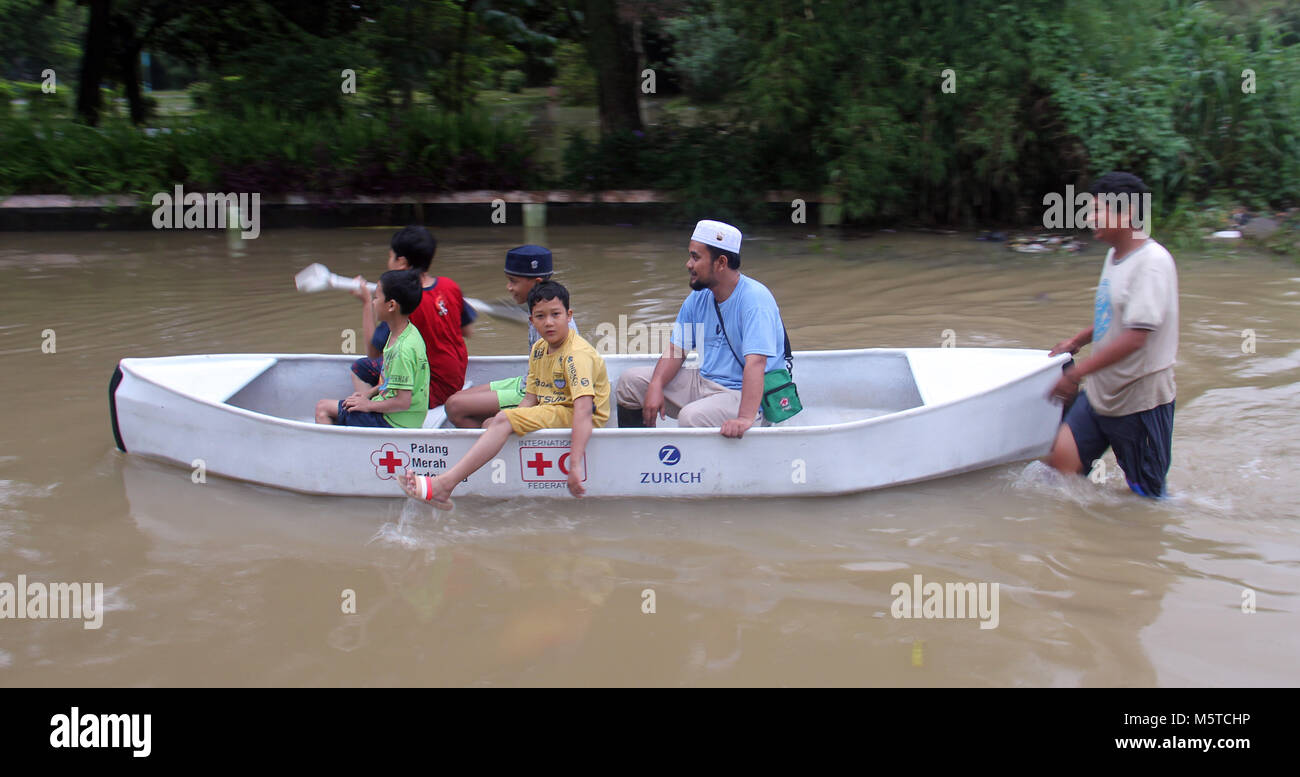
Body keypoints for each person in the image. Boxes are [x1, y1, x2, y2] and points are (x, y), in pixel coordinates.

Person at [401, 281, 609, 507]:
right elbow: (530, 398)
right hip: (554, 408)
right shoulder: (539, 349)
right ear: (531, 321)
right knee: (493, 423)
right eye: (540, 316)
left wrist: (575, 464)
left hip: (578, 415)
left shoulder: (576, 355)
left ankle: (444, 485)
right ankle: (503, 486)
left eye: (555, 314)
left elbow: (584, 409)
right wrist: (516, 421)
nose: (548, 322)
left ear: (569, 316)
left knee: (502, 420)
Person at [1045, 172, 1179, 497]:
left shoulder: (1152, 263)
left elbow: (1136, 337)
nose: (1090, 218)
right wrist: (1078, 340)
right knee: (1059, 468)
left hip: (1139, 400)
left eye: (1098, 210)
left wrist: (1075, 373)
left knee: (1147, 498)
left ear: (1128, 213)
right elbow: (1114, 316)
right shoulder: (1114, 255)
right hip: (1100, 391)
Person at [614, 219, 788, 438]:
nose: (688, 264)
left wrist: (744, 418)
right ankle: (638, 457)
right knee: (630, 383)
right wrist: (656, 385)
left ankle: (701, 471)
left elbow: (756, 364)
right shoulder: (698, 298)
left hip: (744, 393)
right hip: (703, 381)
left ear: (721, 262)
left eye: (696, 257)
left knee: (691, 417)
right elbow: (676, 351)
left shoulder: (755, 300)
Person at [443, 244, 578, 428]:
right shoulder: (540, 308)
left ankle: (492, 441)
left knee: (455, 407)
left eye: (513, 281)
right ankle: (495, 434)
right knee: (455, 399)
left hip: (539, 392)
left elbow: (555, 386)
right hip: (528, 381)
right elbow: (512, 313)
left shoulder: (552, 324)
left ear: (537, 283)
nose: (509, 287)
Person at [349, 226, 475, 410]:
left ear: (401, 262)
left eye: (390, 256)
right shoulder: (450, 286)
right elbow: (467, 331)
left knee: (360, 368)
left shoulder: (403, 301)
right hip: (454, 382)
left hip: (428, 391)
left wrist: (367, 304)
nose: (388, 261)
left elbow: (373, 352)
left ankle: (374, 412)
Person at [316, 270, 429, 428]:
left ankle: (332, 452)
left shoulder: (402, 350)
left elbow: (403, 402)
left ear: (391, 305)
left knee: (323, 408)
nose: (374, 302)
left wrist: (367, 405)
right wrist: (368, 394)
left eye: (376, 297)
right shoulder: (407, 332)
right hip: (406, 417)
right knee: (342, 405)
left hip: (395, 422)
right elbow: (391, 382)